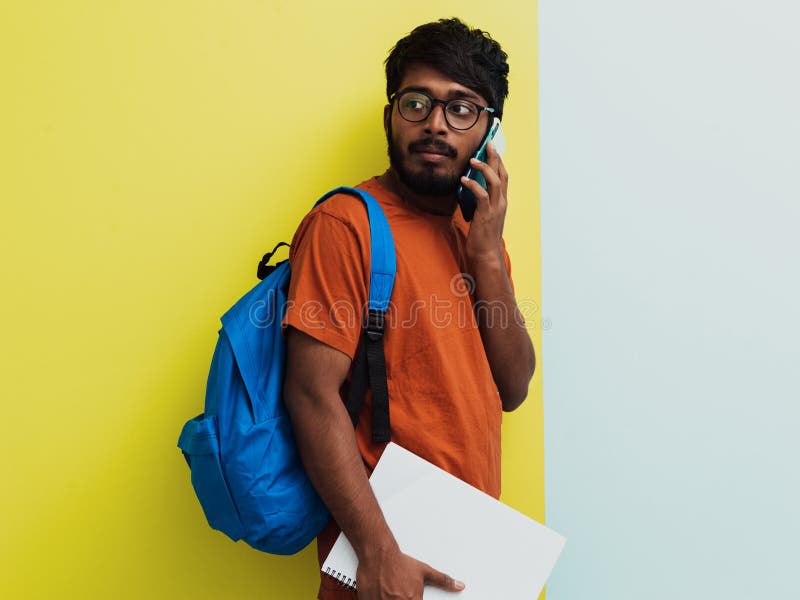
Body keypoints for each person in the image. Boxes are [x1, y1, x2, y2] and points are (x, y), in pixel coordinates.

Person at [282, 18, 535, 600]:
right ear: (391, 114)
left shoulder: (479, 236)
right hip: (385, 557)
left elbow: (514, 386)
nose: (435, 125)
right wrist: (377, 552)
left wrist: (488, 255)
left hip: (471, 550)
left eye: (462, 109)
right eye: (417, 102)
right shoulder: (346, 225)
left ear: (491, 133)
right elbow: (311, 394)